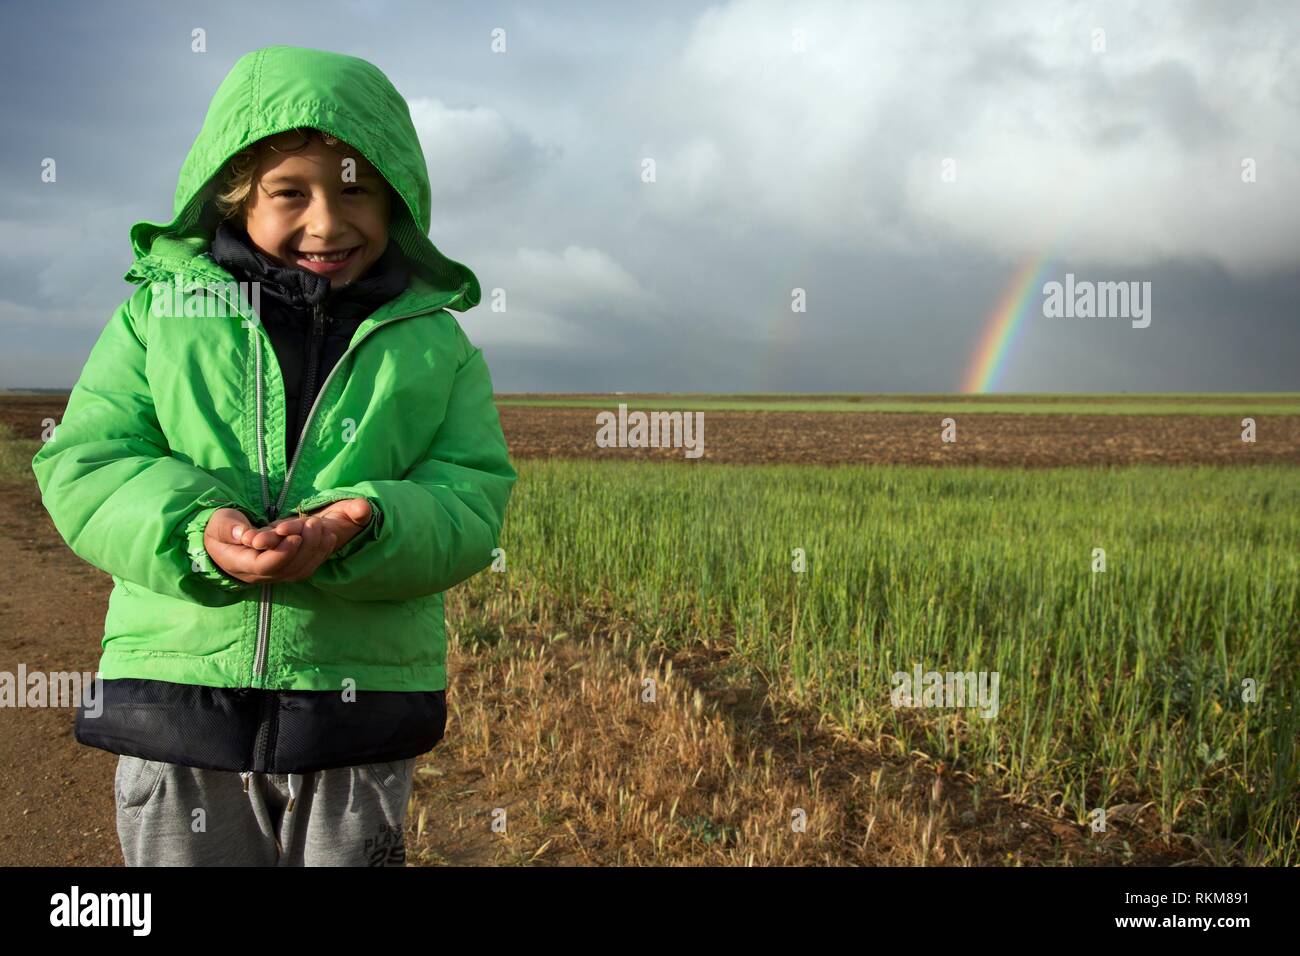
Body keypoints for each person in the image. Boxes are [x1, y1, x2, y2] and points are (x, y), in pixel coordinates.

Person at [31, 45, 516, 866]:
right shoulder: (157, 315)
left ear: (398, 198)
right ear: (232, 197)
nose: (327, 222)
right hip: (178, 702)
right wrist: (199, 529)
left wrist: (364, 523)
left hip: (354, 715)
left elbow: (470, 495)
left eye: (357, 188)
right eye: (290, 192)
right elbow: (90, 463)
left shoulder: (437, 344)